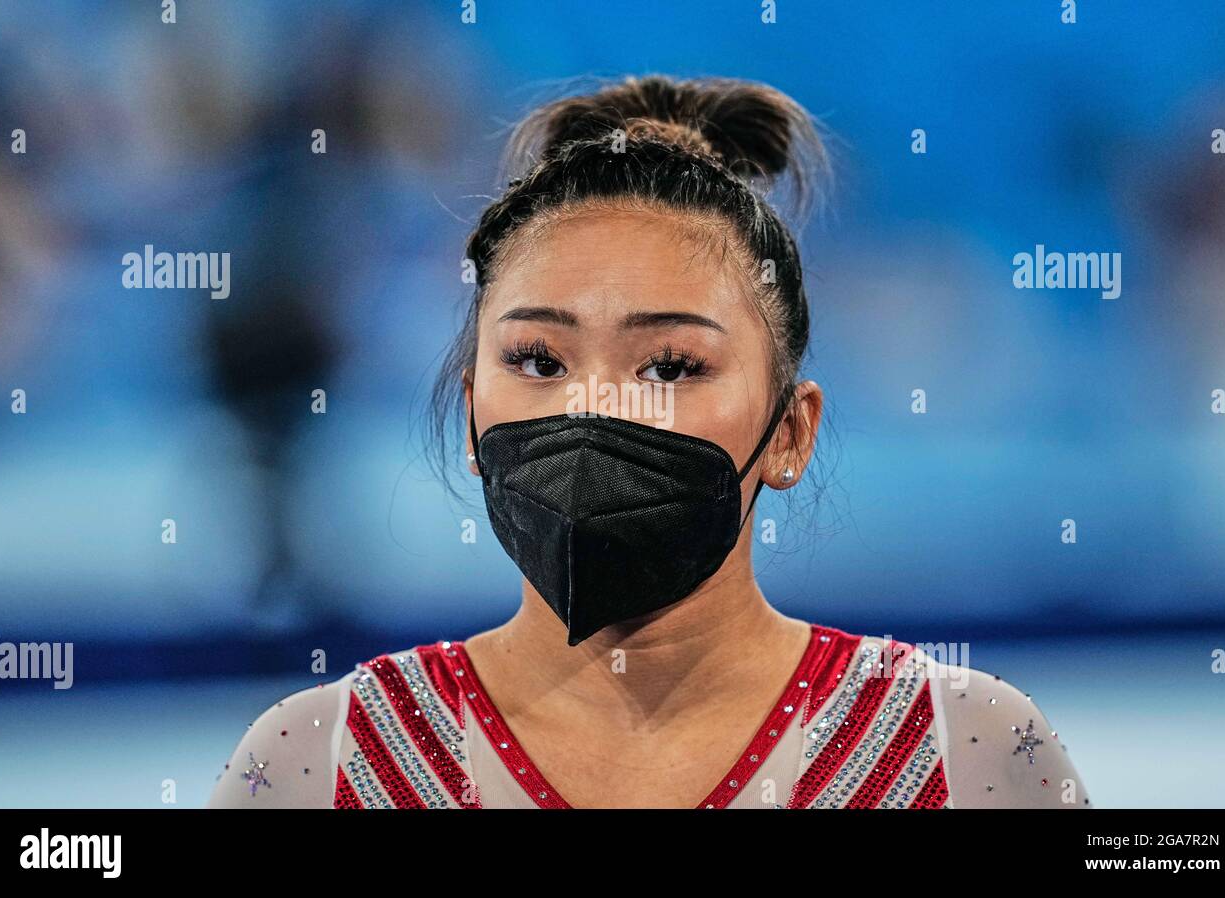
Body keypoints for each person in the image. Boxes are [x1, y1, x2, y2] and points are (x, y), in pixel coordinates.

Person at [208, 75, 1092, 809]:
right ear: (473, 414)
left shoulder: (966, 755)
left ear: (791, 432)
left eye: (670, 366)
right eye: (539, 358)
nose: (594, 406)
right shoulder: (313, 765)